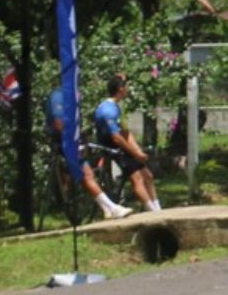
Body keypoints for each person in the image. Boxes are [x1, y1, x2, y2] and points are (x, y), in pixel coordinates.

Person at [45, 84, 131, 220]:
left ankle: (107, 209)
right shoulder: (58, 96)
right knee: (87, 175)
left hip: (71, 142)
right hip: (64, 144)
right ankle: (112, 208)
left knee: (86, 176)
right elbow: (58, 123)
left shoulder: (69, 96)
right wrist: (73, 142)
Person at [93, 74, 161, 213]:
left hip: (124, 145)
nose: (128, 89)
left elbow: (125, 132)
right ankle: (151, 211)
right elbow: (116, 137)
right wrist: (134, 153)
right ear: (120, 89)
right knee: (137, 178)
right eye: (126, 86)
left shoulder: (117, 107)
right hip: (115, 148)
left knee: (148, 176)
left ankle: (158, 209)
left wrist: (138, 151)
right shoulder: (107, 110)